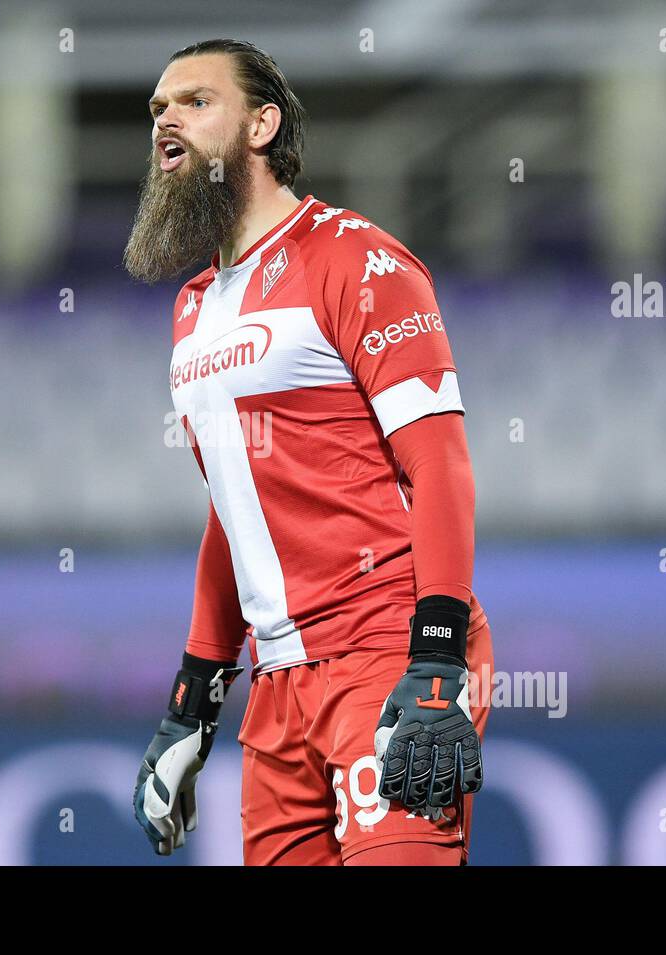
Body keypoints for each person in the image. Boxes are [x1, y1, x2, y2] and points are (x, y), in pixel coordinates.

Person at [126, 38, 492, 866]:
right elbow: (233, 508)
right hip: (278, 687)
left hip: (386, 649)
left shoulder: (355, 258)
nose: (164, 119)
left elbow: (440, 463)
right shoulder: (190, 313)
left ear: (262, 125)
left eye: (193, 100)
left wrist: (435, 657)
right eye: (156, 108)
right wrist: (193, 700)